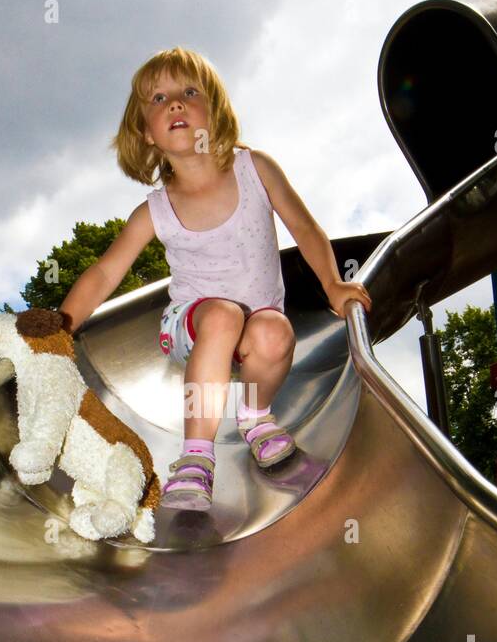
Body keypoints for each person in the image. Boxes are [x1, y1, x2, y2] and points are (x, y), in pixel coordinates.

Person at [57, 47, 372, 512]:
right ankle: (196, 458)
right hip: (191, 326)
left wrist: (333, 285)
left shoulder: (255, 169)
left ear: (215, 111)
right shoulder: (156, 211)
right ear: (146, 132)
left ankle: (255, 415)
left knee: (274, 331)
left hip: (257, 323)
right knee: (223, 315)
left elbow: (304, 228)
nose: (176, 105)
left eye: (189, 92)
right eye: (159, 99)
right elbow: (106, 272)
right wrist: (61, 325)